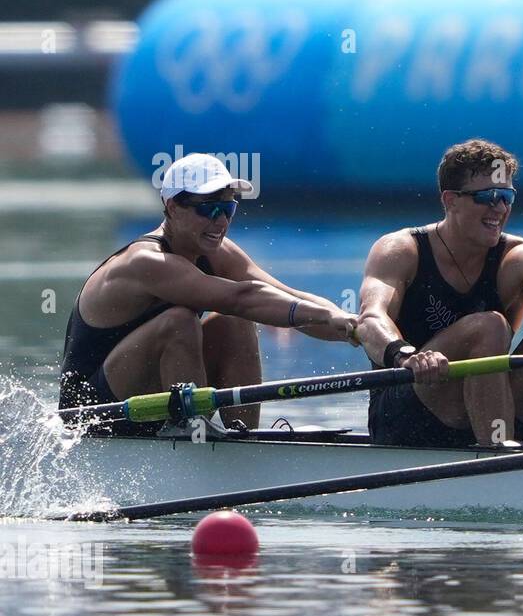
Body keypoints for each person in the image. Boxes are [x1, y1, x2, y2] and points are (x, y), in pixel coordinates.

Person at [59, 153, 358, 435]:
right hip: (94, 415)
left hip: (146, 400)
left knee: (234, 322)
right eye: (209, 209)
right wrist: (327, 315)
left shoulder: (216, 252)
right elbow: (242, 297)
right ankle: (193, 434)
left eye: (228, 208)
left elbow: (285, 295)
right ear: (173, 208)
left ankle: (244, 442)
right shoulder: (146, 261)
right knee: (180, 322)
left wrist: (356, 328)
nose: (221, 221)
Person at [357, 138, 523, 447]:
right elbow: (370, 320)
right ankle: (498, 453)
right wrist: (406, 355)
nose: (500, 208)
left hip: (492, 409)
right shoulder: (401, 250)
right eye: (487, 196)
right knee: (489, 325)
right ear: (450, 200)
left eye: (506, 196)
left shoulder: (520, 256)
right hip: (409, 413)